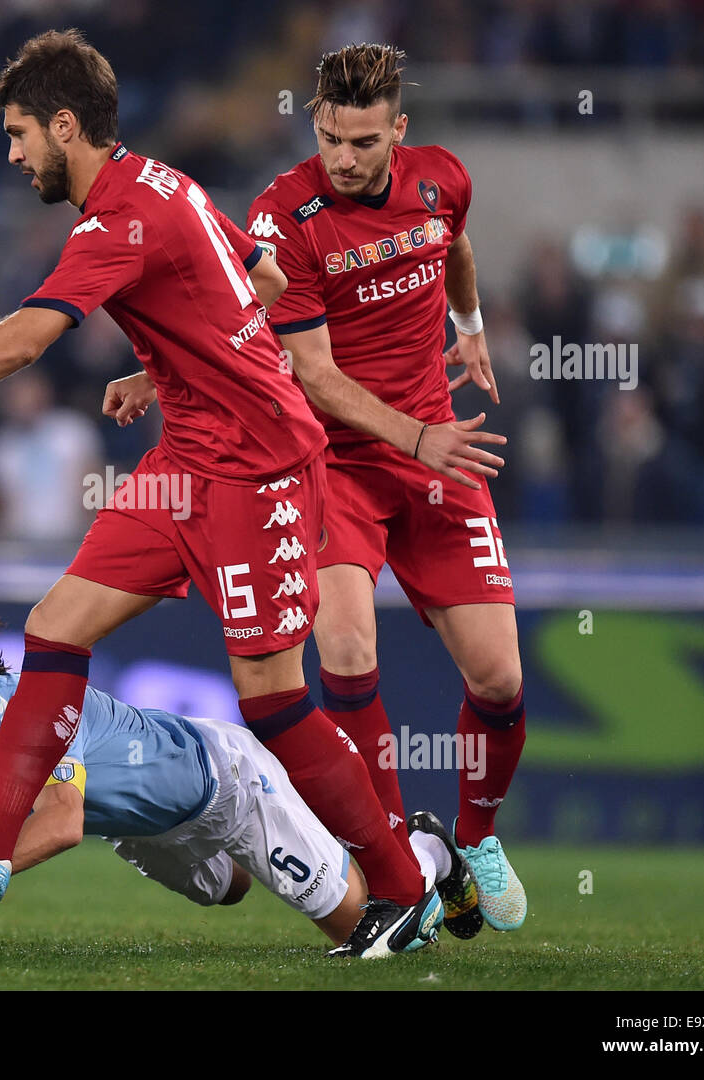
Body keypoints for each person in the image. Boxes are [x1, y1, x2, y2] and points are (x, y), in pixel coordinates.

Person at [0, 30, 439, 956]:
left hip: (260, 469)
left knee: (271, 700)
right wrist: (174, 369)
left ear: (67, 126)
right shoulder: (167, 183)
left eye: (22, 133)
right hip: (187, 457)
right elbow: (257, 279)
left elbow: (22, 343)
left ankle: (401, 884)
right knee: (56, 627)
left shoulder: (117, 221)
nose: (16, 153)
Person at [241, 43, 527, 932]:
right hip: (336, 466)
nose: (343, 157)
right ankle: (402, 862)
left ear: (398, 132)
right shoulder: (285, 214)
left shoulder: (441, 181)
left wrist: (470, 325)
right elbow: (316, 378)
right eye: (330, 136)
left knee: (502, 682)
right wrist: (417, 437)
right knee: (350, 655)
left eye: (363, 141)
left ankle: (474, 839)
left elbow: (457, 246)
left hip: (436, 457)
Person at [0, 581, 473, 956]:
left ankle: (425, 855)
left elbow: (62, 820)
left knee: (366, 937)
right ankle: (309, 844)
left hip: (225, 782)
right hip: (143, 831)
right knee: (229, 891)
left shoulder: (27, 702)